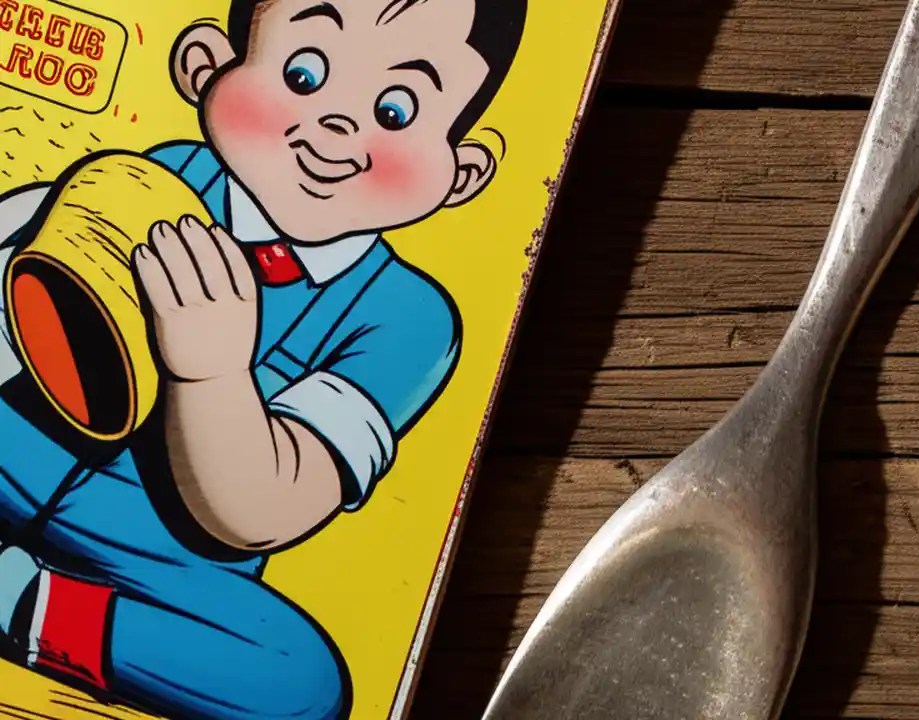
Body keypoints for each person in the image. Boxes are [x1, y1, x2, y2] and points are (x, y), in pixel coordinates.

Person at [0, 0, 526, 717]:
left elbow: (258, 512)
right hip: (25, 442)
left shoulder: (408, 320)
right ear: (207, 67)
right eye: (305, 73)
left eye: (396, 110)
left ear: (461, 173)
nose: (338, 125)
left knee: (299, 682)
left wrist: (213, 369)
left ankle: (26, 603)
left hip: (156, 558)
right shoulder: (165, 172)